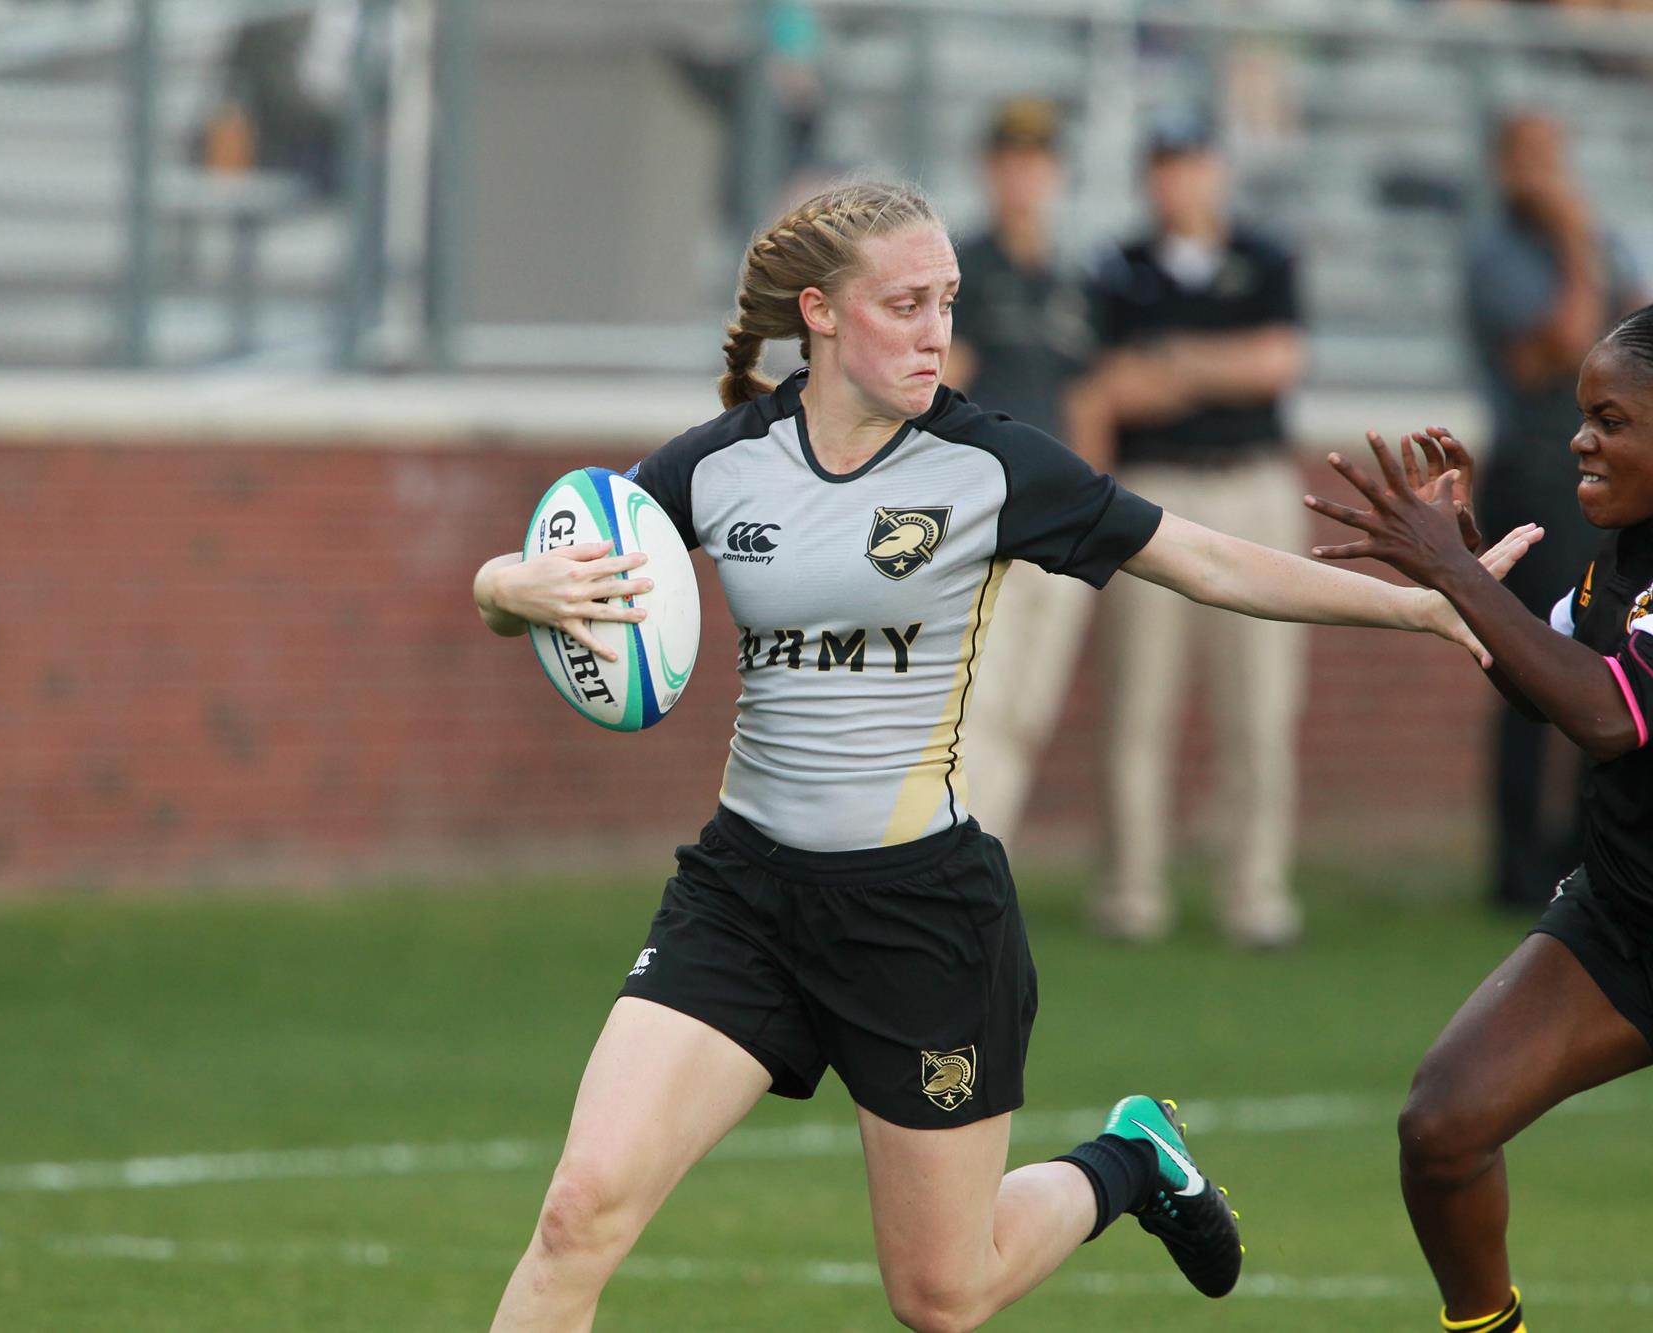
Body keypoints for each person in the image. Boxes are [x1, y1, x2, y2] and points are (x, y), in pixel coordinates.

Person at [470, 182, 1531, 1333]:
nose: (935, 330)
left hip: (917, 914)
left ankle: (1130, 1162)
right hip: (740, 898)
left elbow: (1210, 562)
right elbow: (564, 568)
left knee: (942, 1293)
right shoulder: (720, 464)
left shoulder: (988, 466)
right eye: (905, 304)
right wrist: (505, 587)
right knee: (578, 1214)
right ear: (819, 313)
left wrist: (1423, 608)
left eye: (946, 302)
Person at [1305, 305, 1653, 1333]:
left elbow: (1604, 716)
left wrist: (1454, 576)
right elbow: (1547, 685)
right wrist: (1457, 578)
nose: (1578, 439)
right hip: (1625, 918)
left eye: (1610, 419)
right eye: (1581, 415)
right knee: (1445, 1123)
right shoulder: (1618, 559)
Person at [1081, 108, 1309, 948]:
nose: (1180, 181)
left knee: (1260, 702)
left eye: (1193, 163)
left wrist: (1174, 363)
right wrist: (1224, 370)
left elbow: (1279, 362)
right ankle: (1131, 890)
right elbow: (1110, 390)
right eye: (1165, 165)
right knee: (1141, 698)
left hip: (1253, 487)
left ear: (1218, 169)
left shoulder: (1266, 256)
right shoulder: (1118, 268)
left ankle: (1257, 893)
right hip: (1156, 489)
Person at [1465, 110, 1647, 913]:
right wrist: (1576, 238)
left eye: (1552, 153)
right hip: (1533, 473)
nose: (1543, 173)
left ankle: (1585, 852)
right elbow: (1569, 340)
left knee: (1606, 668)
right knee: (1536, 652)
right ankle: (1515, 866)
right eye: (1526, 156)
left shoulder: (1594, 235)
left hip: (1608, 485)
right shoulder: (1494, 250)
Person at [944, 97, 1108, 840]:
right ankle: (960, 865)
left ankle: (984, 859)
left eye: (1037, 161)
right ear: (989, 168)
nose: (1024, 176)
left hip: (1060, 523)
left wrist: (1095, 511)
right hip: (990, 521)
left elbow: (1087, 400)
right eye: (1011, 159)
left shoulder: (1068, 280)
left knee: (1027, 711)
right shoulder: (966, 270)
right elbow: (940, 386)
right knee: (977, 704)